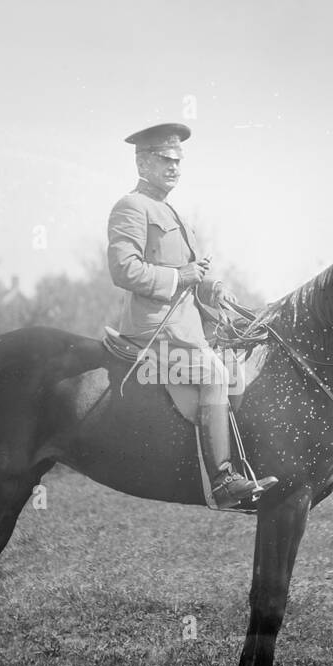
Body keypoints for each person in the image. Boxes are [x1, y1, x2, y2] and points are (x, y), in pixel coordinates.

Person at [105, 122, 272, 507]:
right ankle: (223, 481)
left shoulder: (173, 213)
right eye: (165, 159)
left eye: (178, 160)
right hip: (154, 330)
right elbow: (123, 270)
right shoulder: (131, 207)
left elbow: (195, 273)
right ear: (142, 163)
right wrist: (179, 276)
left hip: (188, 329)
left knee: (238, 365)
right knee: (214, 374)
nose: (174, 167)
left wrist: (215, 287)